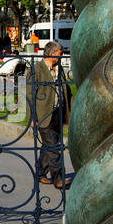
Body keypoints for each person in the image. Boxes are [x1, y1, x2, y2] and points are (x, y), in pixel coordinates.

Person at [31, 42, 72, 189]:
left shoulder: (59, 68)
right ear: (52, 53)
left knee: (48, 147)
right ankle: (58, 178)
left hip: (57, 113)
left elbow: (65, 88)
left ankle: (40, 173)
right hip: (43, 114)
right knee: (54, 147)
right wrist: (33, 117)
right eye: (60, 52)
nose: (62, 54)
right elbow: (30, 95)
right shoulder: (37, 69)